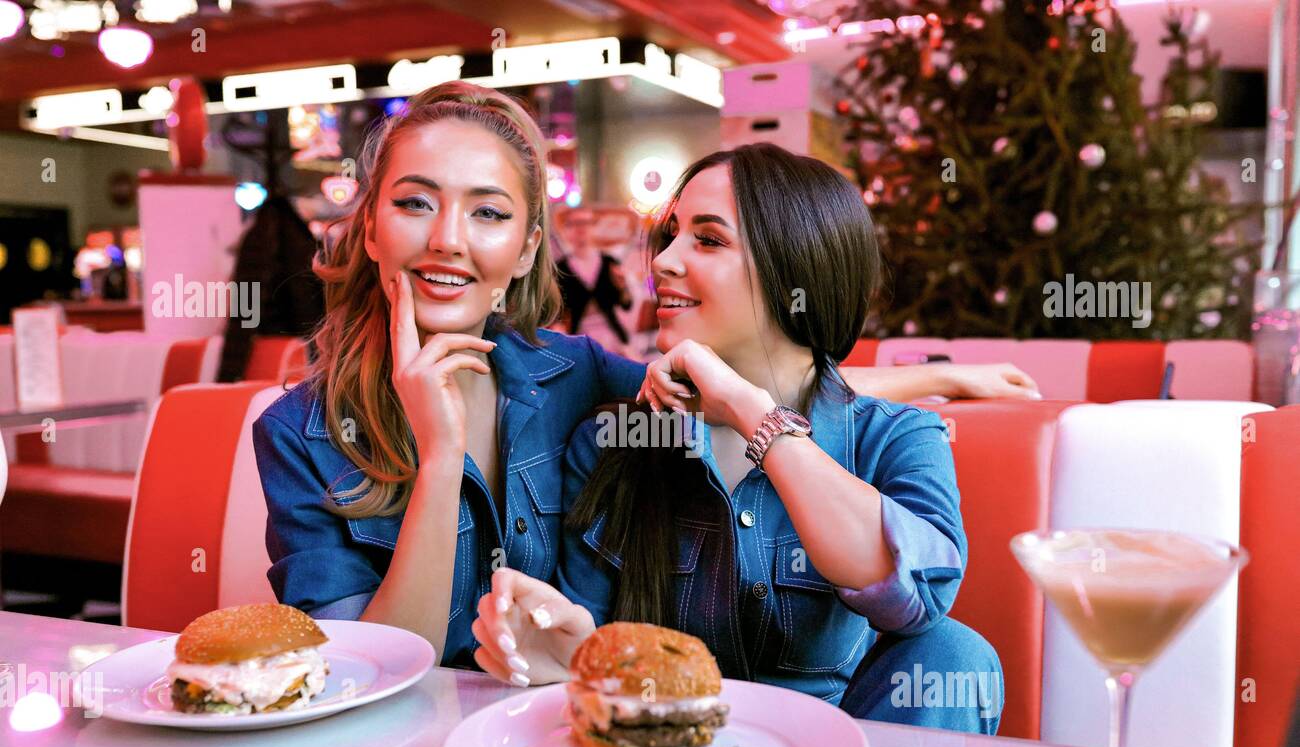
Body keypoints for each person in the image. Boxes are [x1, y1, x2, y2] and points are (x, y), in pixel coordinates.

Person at [252, 79, 1031, 680]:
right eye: (416, 203)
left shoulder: (573, 376)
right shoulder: (297, 433)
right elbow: (374, 671)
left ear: (526, 250)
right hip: (417, 743)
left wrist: (945, 380)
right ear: (372, 228)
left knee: (954, 654)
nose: (448, 240)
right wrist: (437, 455)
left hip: (551, 729)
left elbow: (756, 390)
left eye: (488, 214)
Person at [471, 143, 1002, 734]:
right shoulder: (617, 440)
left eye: (709, 240)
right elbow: (594, 639)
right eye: (672, 236)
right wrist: (566, 652)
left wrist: (755, 413)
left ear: (798, 268)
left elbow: (915, 597)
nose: (664, 262)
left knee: (956, 655)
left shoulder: (898, 437)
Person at [553, 206, 634, 351]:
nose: (581, 228)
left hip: (612, 336)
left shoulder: (609, 262)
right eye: (576, 223)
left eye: (587, 222)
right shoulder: (560, 268)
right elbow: (556, 312)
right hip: (578, 337)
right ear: (567, 229)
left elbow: (626, 304)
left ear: (594, 227)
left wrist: (622, 287)